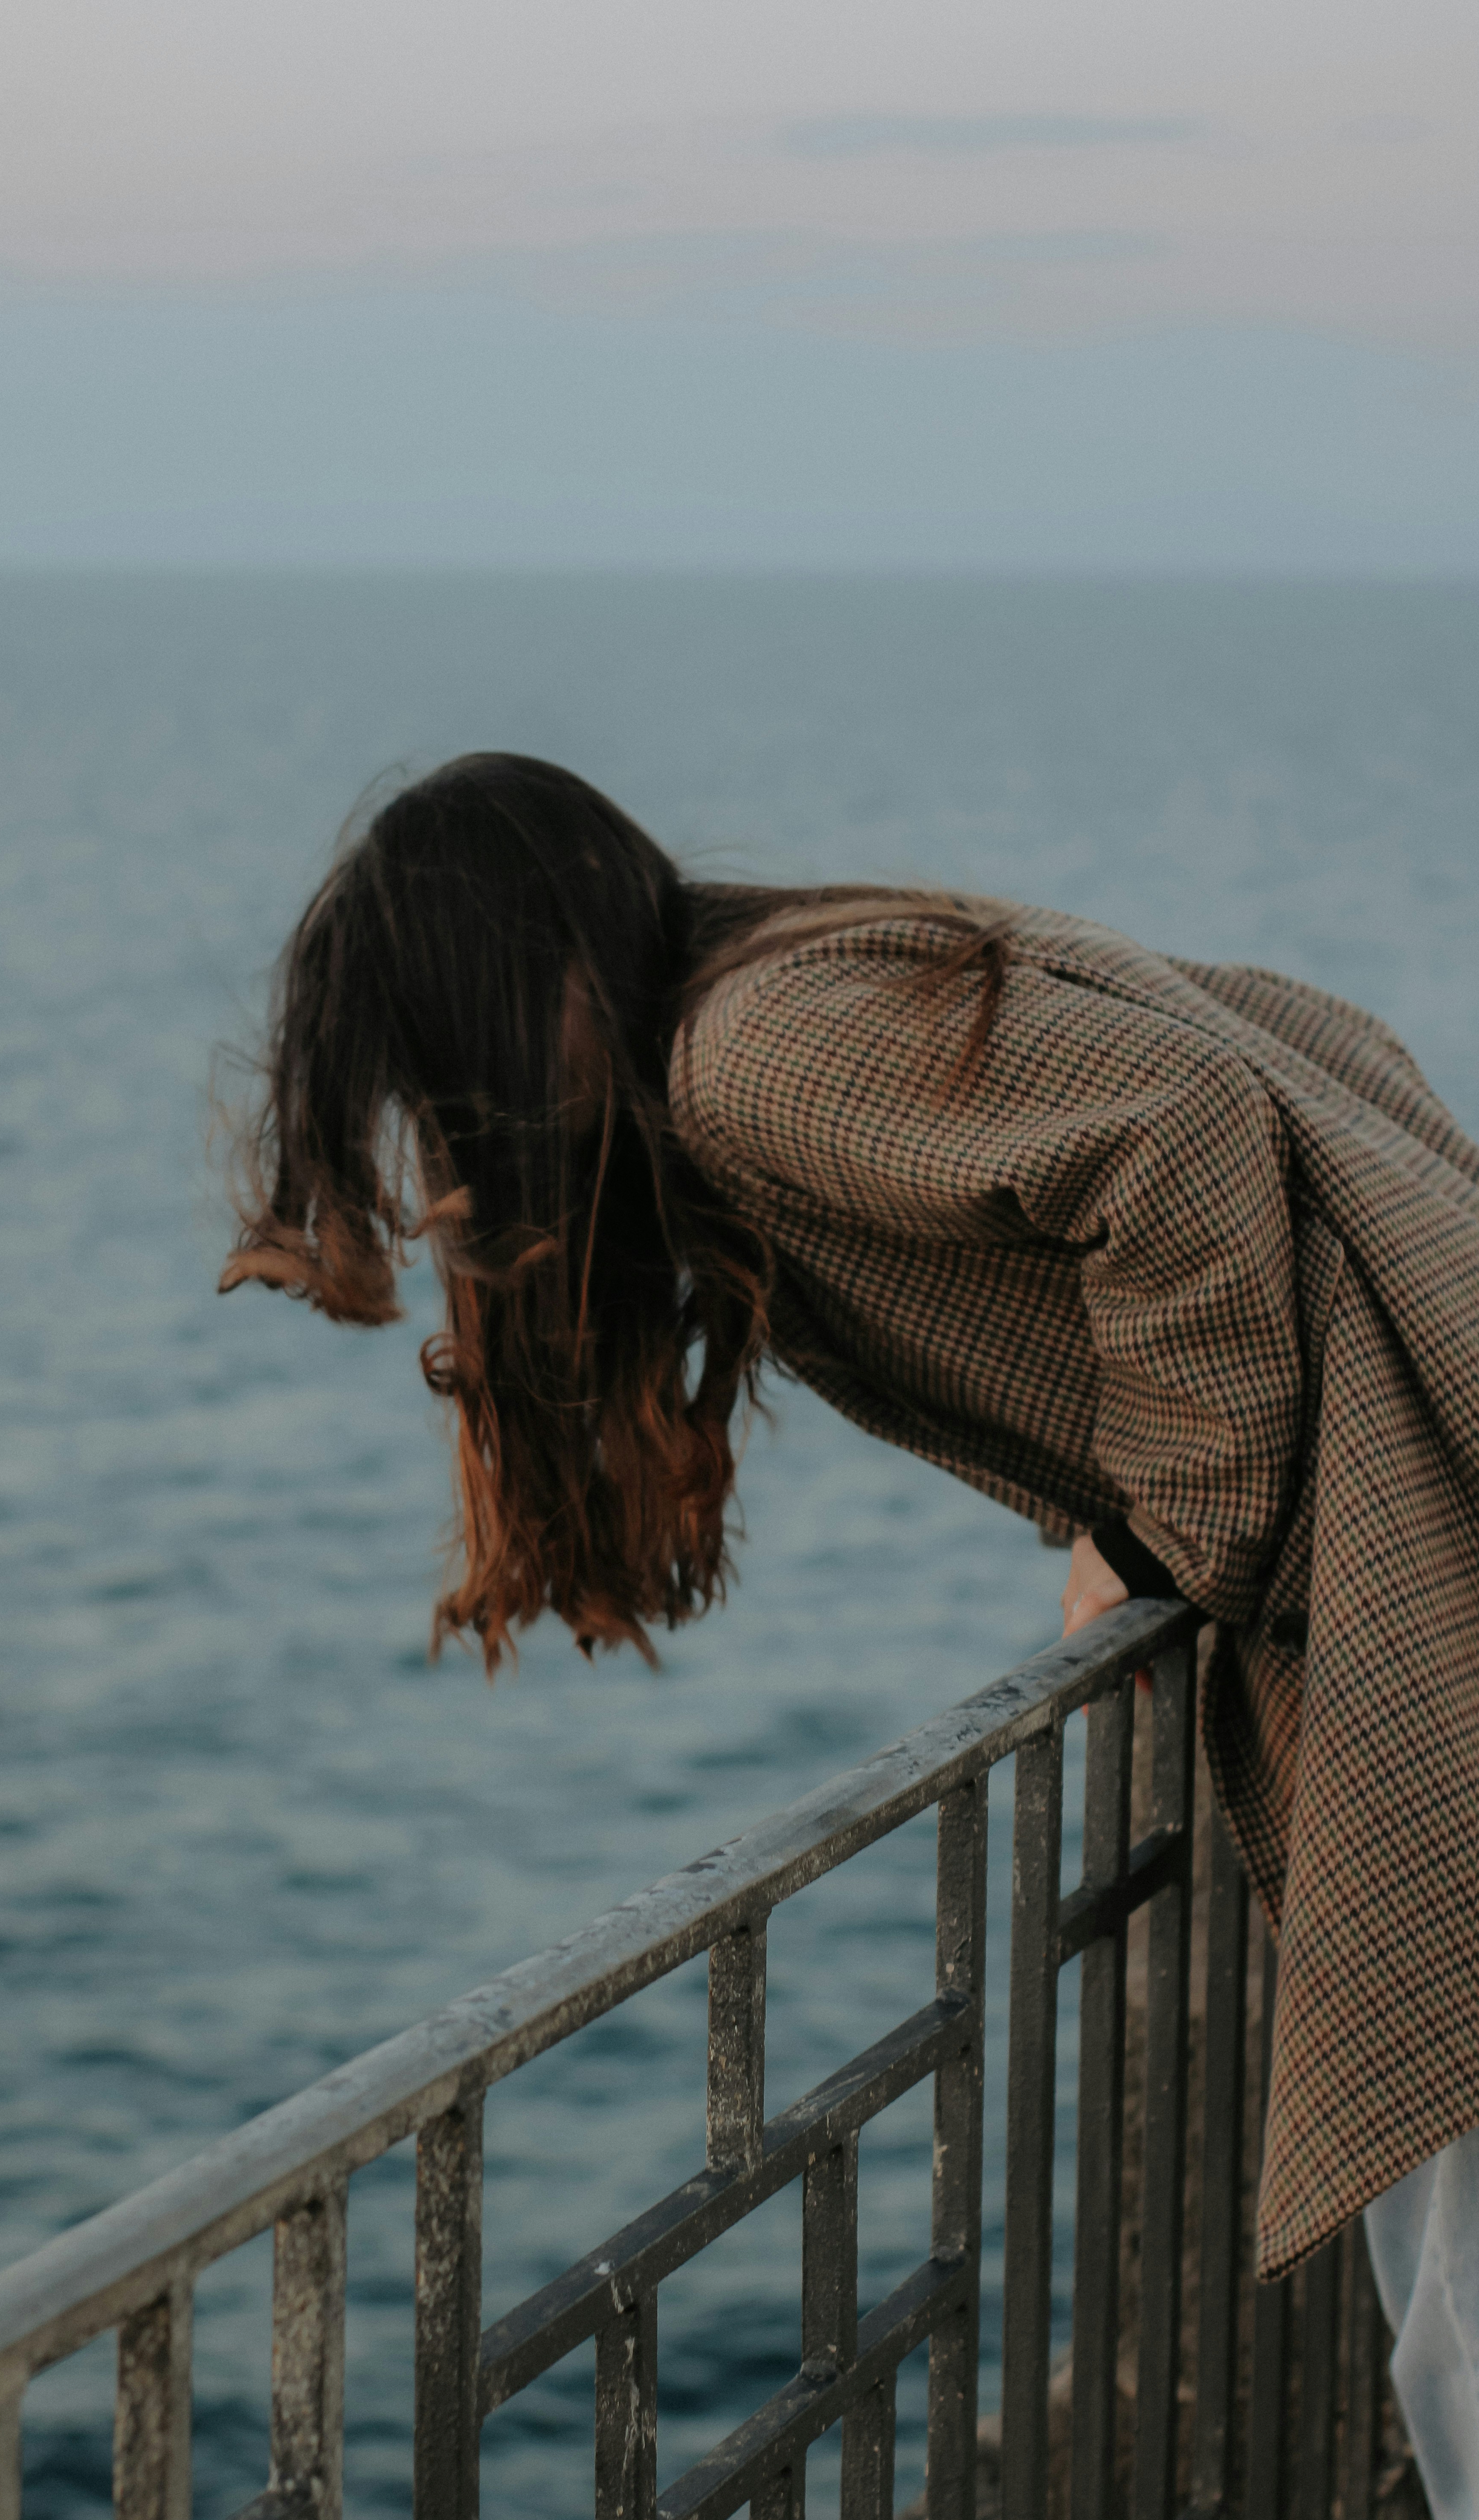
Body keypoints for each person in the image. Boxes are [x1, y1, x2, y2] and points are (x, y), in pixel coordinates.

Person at [220, 752, 1479, 2503]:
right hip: (1408, 1529)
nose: (450, 1132)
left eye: (439, 1065)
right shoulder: (761, 1014)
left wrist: (1200, 1516)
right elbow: (1306, 1043)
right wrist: (1131, 1522)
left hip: (1413, 1573)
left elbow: (1179, 1125)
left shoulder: (747, 1053)